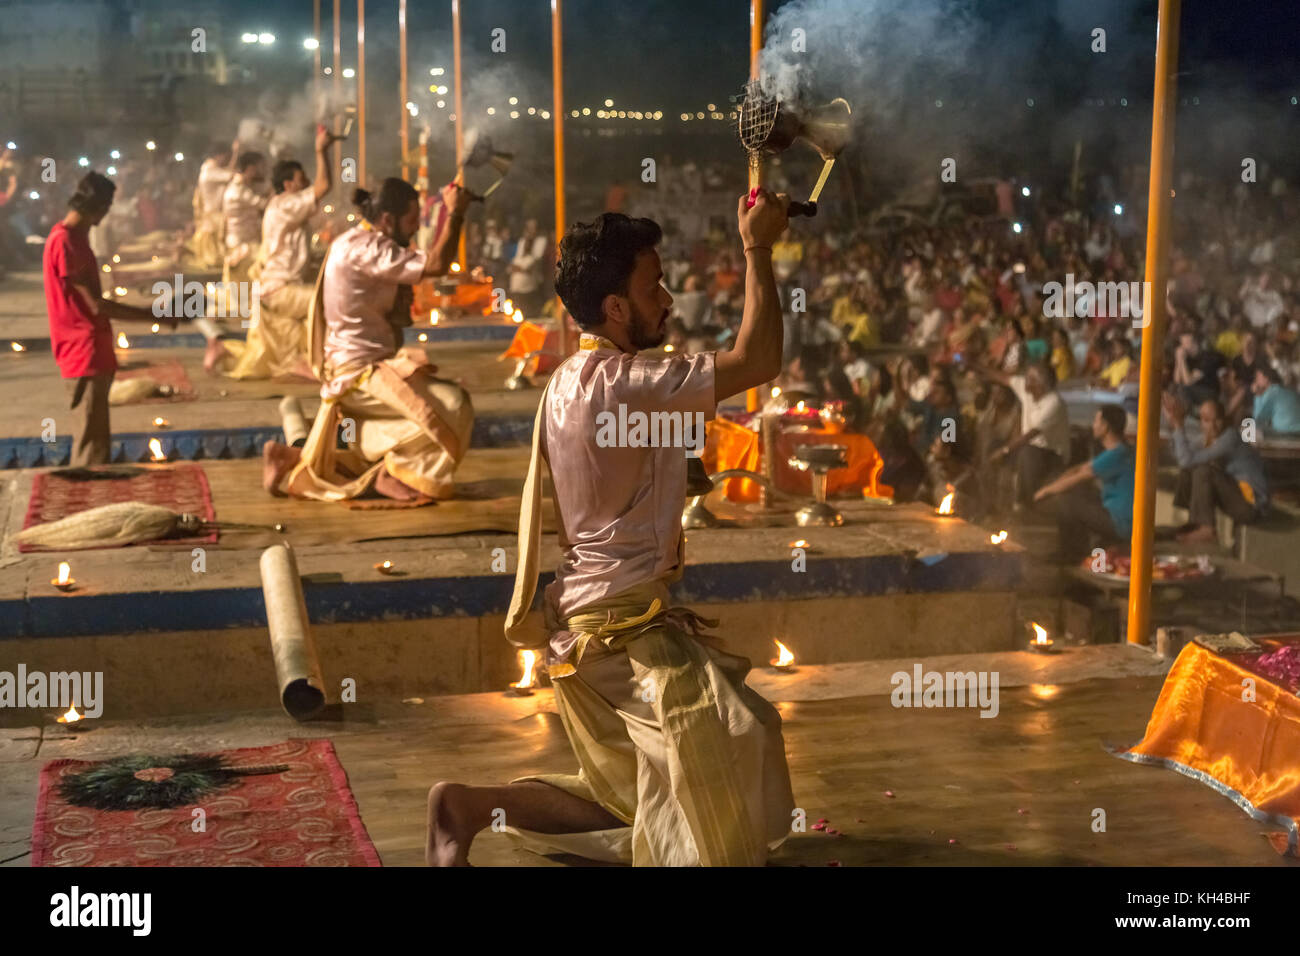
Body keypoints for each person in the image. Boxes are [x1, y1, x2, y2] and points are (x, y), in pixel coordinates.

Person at [426, 193, 796, 867]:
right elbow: (760, 359)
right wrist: (758, 249)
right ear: (617, 308)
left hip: (584, 622)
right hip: (620, 630)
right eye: (654, 286)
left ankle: (470, 807)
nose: (669, 300)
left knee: (630, 800)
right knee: (742, 733)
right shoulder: (633, 382)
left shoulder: (566, 381)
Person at [263, 177, 474, 503]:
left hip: (350, 367)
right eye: (411, 222)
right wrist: (455, 213)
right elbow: (436, 265)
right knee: (455, 405)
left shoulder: (350, 241)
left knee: (402, 419)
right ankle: (391, 473)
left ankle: (295, 459)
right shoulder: (371, 248)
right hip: (360, 374)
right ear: (387, 219)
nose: (415, 230)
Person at [43, 173, 178, 466]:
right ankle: (88, 498)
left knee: (95, 439)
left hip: (89, 349)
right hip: (82, 350)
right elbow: (95, 306)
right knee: (91, 446)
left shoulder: (72, 238)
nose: (107, 214)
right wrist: (152, 315)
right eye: (107, 206)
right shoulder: (66, 242)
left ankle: (92, 492)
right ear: (98, 206)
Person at [219, 126, 338, 380]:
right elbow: (324, 185)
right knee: (329, 304)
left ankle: (305, 359)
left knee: (324, 296)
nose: (306, 181)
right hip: (278, 289)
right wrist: (321, 150)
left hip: (274, 285)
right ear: (288, 185)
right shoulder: (286, 205)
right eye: (301, 177)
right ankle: (317, 363)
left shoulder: (282, 203)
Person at [1033, 404, 1134, 560]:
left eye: (1096, 421)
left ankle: (1071, 554)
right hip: (1117, 516)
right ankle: (1076, 550)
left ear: (1105, 427)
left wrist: (1046, 491)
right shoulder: (1121, 450)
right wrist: (1056, 481)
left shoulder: (1116, 454)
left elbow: (1080, 476)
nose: (1092, 425)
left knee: (1066, 499)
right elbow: (1080, 469)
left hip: (1120, 524)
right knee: (1075, 493)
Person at [1163, 394, 1268, 543]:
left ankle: (1206, 529)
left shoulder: (1230, 437)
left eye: (1217, 420)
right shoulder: (1208, 439)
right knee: (1190, 470)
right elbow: (1181, 457)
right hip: (1236, 498)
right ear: (1201, 422)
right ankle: (1194, 523)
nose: (1212, 426)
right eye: (1206, 421)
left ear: (1224, 419)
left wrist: (1179, 426)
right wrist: (1172, 424)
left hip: (1252, 505)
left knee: (1204, 471)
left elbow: (1186, 459)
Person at [984, 362, 1071, 506]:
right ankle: (990, 503)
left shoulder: (1054, 403)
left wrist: (1004, 451)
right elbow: (1001, 377)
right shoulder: (1027, 391)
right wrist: (971, 363)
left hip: (1052, 455)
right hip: (1027, 448)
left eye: (1030, 378)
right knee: (994, 446)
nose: (1025, 380)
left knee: (1027, 452)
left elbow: (1030, 435)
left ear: (1040, 384)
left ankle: (1026, 504)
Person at [187, 140, 237, 269]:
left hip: (214, 215)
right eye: (226, 157)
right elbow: (233, 176)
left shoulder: (212, 169)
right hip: (213, 217)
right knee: (214, 258)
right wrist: (236, 153)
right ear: (218, 155)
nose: (227, 160)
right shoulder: (209, 170)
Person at [220, 151, 267, 285]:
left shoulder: (241, 186)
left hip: (245, 242)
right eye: (261, 167)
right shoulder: (238, 190)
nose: (263, 171)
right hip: (243, 246)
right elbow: (263, 204)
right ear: (251, 169)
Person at [507, 218, 548, 317]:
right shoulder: (522, 243)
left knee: (530, 310)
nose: (530, 230)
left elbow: (531, 265)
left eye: (533, 228)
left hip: (531, 285)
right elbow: (511, 266)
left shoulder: (540, 242)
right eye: (528, 228)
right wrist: (518, 268)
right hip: (516, 288)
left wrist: (519, 268)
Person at [1172, 330, 1223, 408]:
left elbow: (1188, 382)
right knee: (1174, 388)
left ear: (1194, 343)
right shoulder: (1187, 358)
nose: (1183, 347)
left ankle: (1189, 415)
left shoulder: (1206, 358)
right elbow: (1177, 381)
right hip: (1194, 390)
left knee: (1184, 389)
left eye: (1186, 343)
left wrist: (1182, 360)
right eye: (1182, 344)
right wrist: (1178, 360)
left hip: (1208, 391)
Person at [1250, 366, 1300, 435]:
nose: (1255, 381)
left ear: (1266, 379)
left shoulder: (1272, 392)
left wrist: (1257, 394)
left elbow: (1258, 418)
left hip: (1285, 432)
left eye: (1258, 377)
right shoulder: (1284, 389)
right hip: (1297, 431)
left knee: (1252, 430)